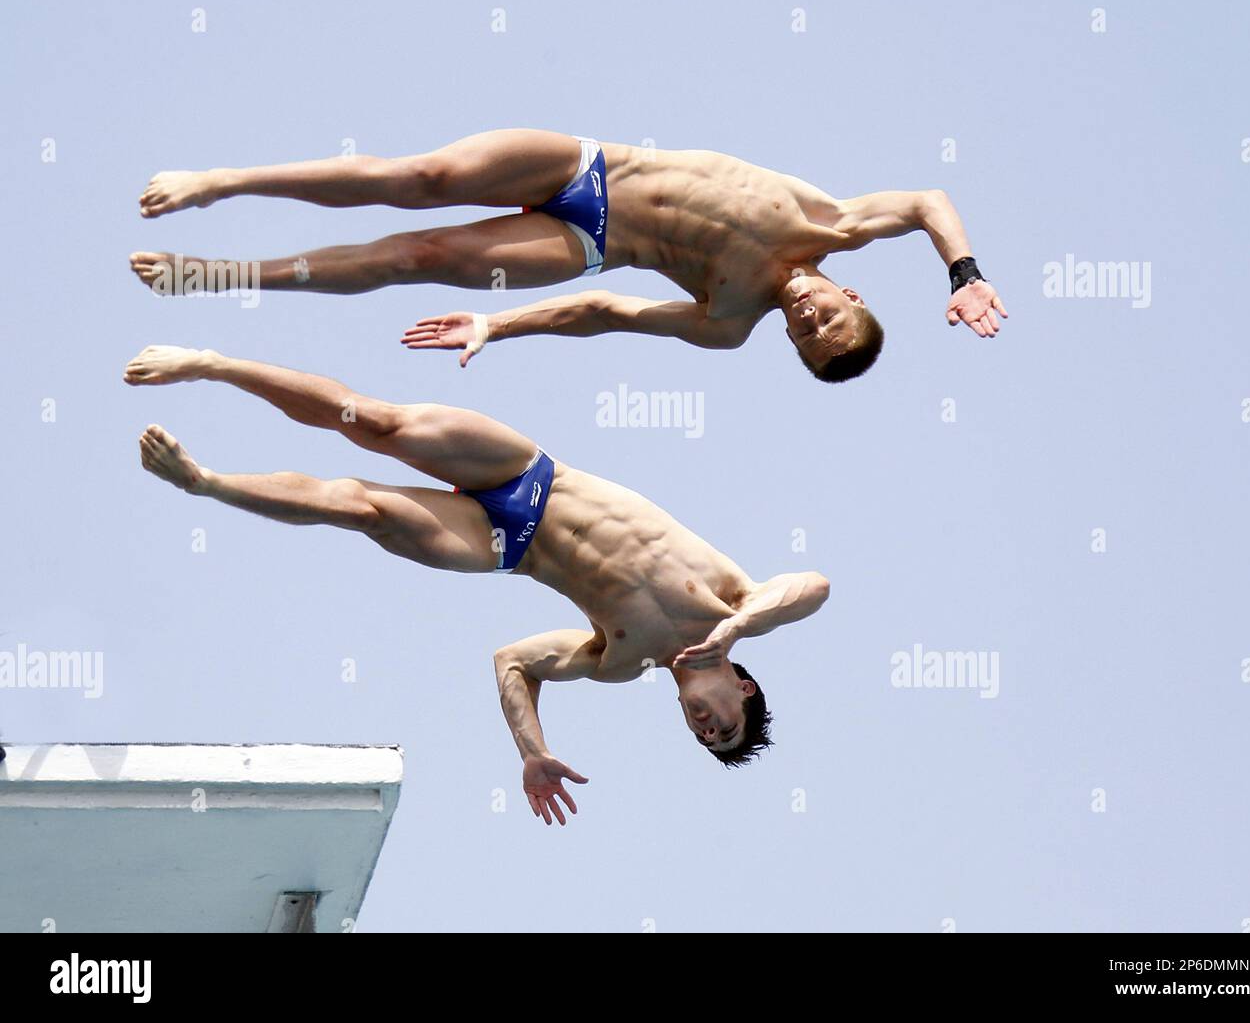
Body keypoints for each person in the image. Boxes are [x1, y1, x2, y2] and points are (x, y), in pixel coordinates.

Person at [124, 346, 831, 825]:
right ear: (743, 686)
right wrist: (734, 630)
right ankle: (211, 365)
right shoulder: (738, 605)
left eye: (702, 738)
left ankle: (205, 482)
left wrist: (530, 751)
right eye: (724, 724)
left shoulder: (622, 664)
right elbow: (815, 585)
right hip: (532, 477)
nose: (704, 726)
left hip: (504, 543)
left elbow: (513, 662)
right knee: (372, 420)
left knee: (361, 509)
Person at [133, 130, 1007, 382]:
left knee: (417, 256)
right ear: (849, 293)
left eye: (812, 342)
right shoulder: (835, 224)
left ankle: (221, 274)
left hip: (586, 243)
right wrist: (964, 274)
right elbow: (930, 199)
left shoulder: (728, 323)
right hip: (591, 166)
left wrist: (496, 325)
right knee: (422, 175)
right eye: (835, 321)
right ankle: (223, 180)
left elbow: (606, 312)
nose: (814, 324)